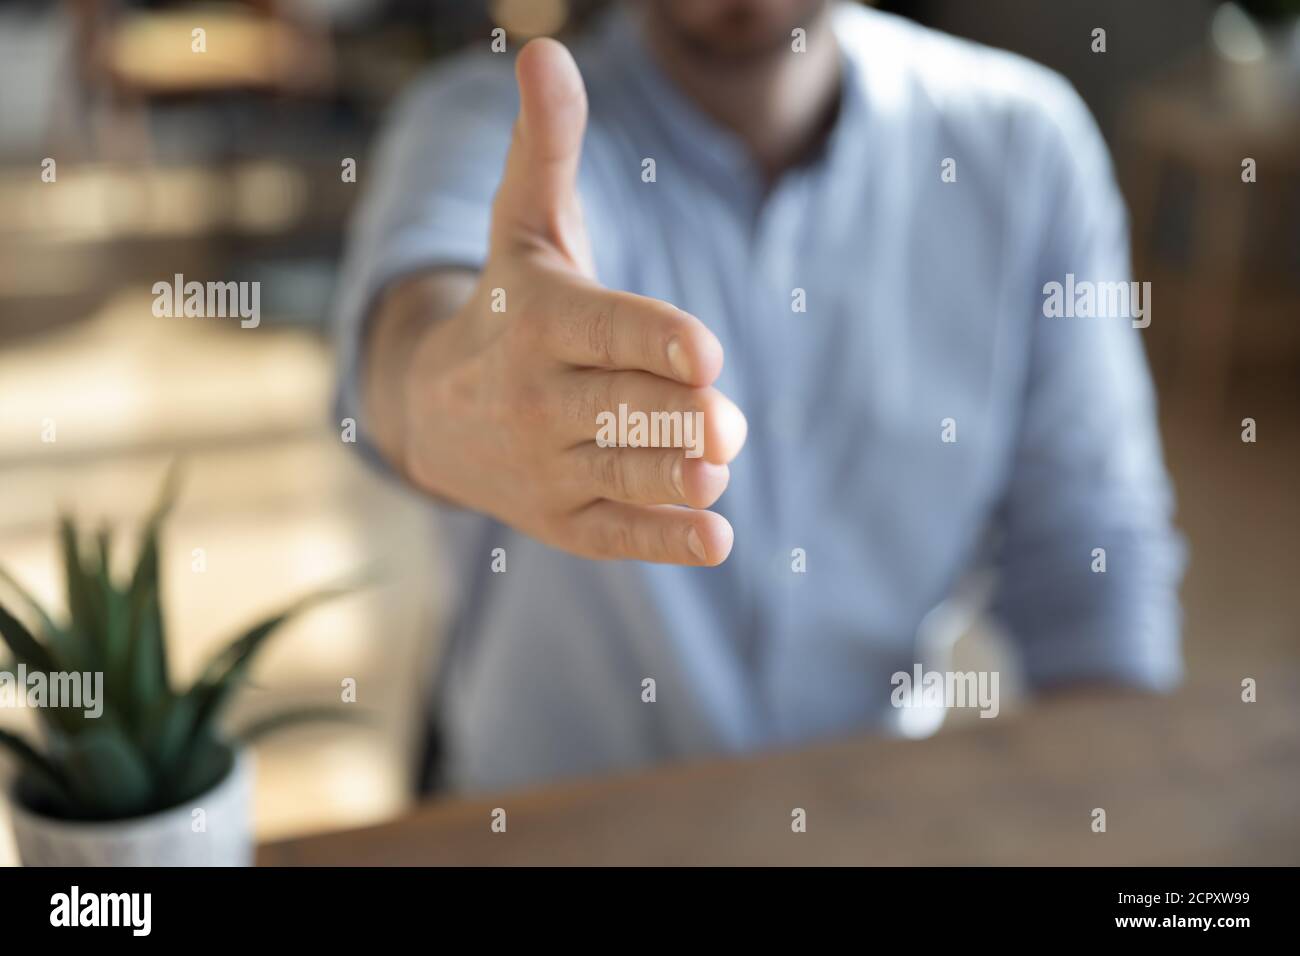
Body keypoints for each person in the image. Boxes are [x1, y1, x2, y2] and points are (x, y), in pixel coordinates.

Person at [335, 0, 1185, 793]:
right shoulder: (486, 119)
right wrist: (454, 392)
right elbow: (413, 338)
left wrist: (1125, 827)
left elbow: (1090, 557)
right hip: (550, 821)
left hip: (868, 815)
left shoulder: (1024, 148)